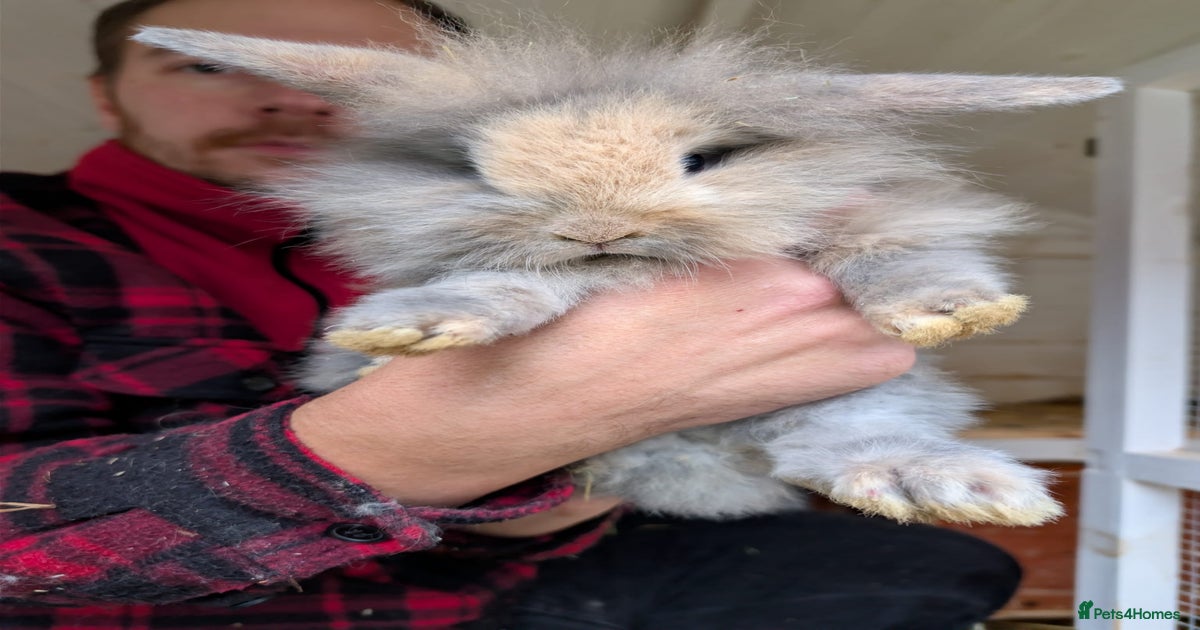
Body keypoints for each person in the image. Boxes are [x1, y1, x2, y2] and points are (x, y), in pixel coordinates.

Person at [0, 0, 1023, 627]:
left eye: (369, 81)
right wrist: (531, 421)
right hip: (253, 611)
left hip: (570, 553)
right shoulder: (27, 237)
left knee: (932, 564)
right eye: (211, 64)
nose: (292, 100)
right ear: (105, 95)